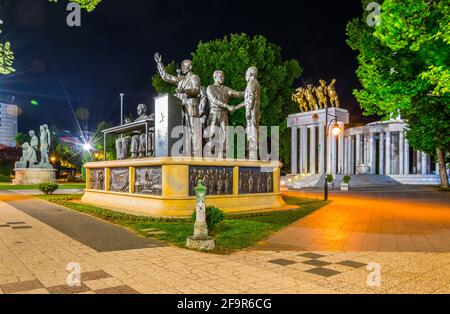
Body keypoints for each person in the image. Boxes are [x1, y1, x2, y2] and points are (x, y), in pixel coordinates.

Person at [154, 52, 202, 156]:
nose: (182, 67)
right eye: (182, 66)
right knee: (183, 131)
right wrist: (160, 63)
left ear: (190, 67)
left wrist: (184, 91)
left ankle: (196, 153)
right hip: (181, 107)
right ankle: (185, 151)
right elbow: (166, 77)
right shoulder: (181, 79)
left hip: (191, 107)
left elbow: (197, 90)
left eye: (184, 65)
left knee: (194, 130)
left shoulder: (195, 77)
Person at [205, 70, 244, 158]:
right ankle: (210, 152)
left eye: (223, 76)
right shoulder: (210, 88)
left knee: (225, 133)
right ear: (215, 77)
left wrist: (247, 92)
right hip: (213, 113)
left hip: (224, 114)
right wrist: (227, 106)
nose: (223, 78)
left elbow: (237, 93)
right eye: (220, 77)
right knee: (211, 133)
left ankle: (223, 153)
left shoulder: (226, 89)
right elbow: (214, 100)